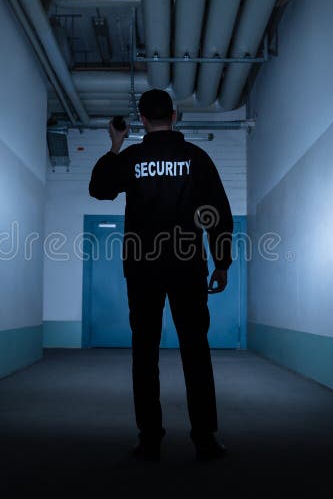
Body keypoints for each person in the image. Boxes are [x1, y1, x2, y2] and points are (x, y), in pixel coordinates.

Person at [89, 89, 233, 462]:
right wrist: (222, 262)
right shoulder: (196, 158)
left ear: (140, 120)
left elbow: (99, 189)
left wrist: (115, 145)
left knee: (145, 353)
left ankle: (150, 439)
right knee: (196, 351)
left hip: (143, 269)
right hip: (187, 266)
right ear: (174, 116)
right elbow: (217, 212)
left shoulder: (132, 158)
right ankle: (205, 439)